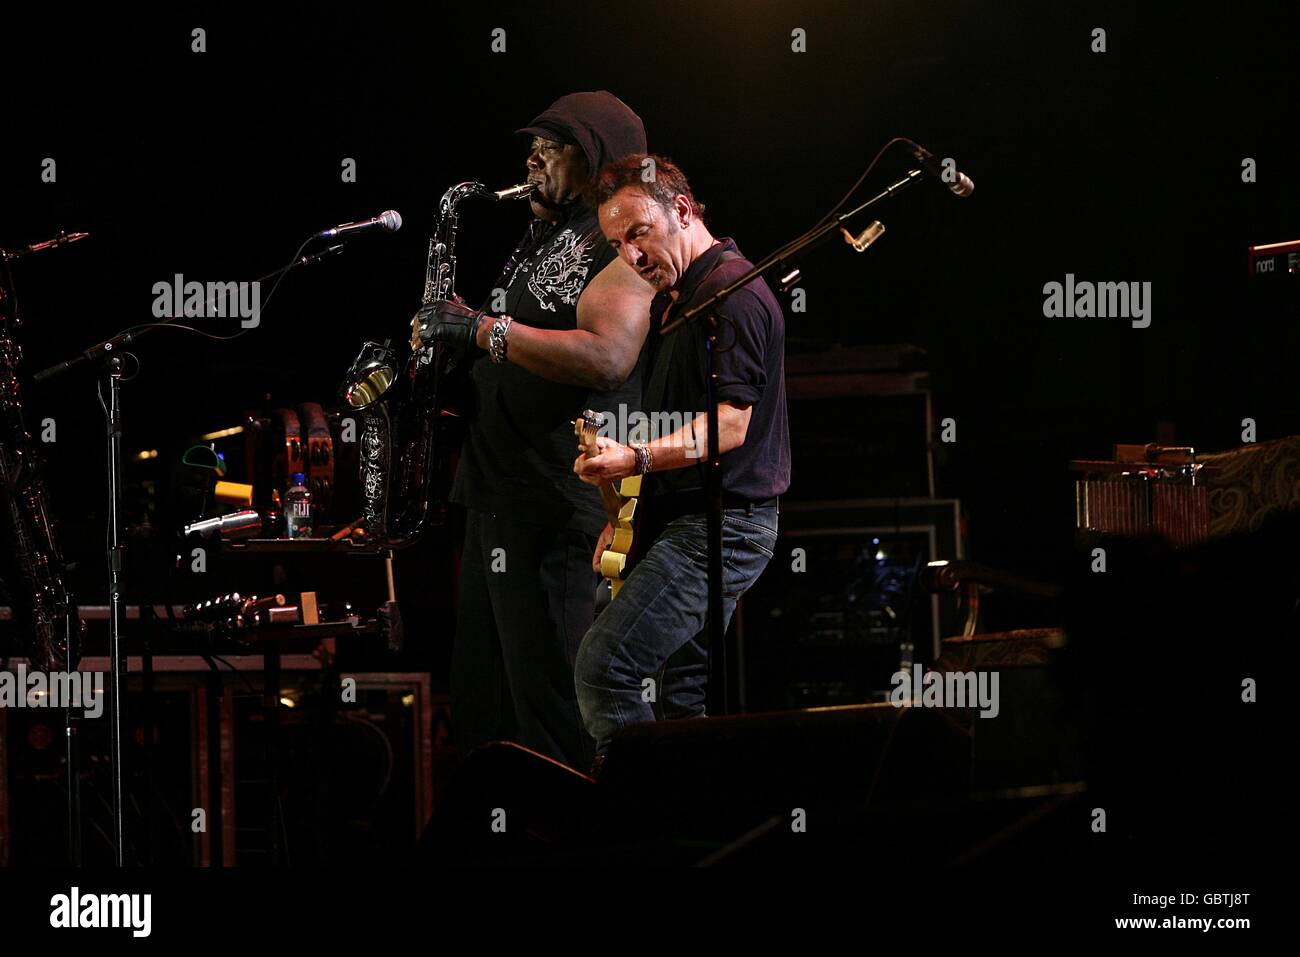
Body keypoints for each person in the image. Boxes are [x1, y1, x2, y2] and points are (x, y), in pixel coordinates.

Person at [416, 92, 654, 769]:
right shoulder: (543, 231)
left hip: (554, 502)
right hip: (498, 495)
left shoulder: (622, 235)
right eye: (535, 144)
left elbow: (609, 358)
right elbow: (514, 344)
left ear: (602, 157)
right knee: (487, 712)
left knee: (554, 712)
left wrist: (482, 330)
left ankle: (585, 842)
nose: (534, 157)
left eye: (556, 145)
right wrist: (454, 341)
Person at [573, 155, 790, 763]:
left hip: (724, 527)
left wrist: (633, 457)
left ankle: (641, 814)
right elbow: (677, 422)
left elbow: (728, 426)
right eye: (617, 244)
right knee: (678, 694)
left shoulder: (733, 295)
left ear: (684, 210)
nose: (631, 257)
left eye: (639, 233)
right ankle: (691, 826)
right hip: (682, 521)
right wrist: (625, 519)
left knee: (604, 669)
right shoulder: (680, 301)